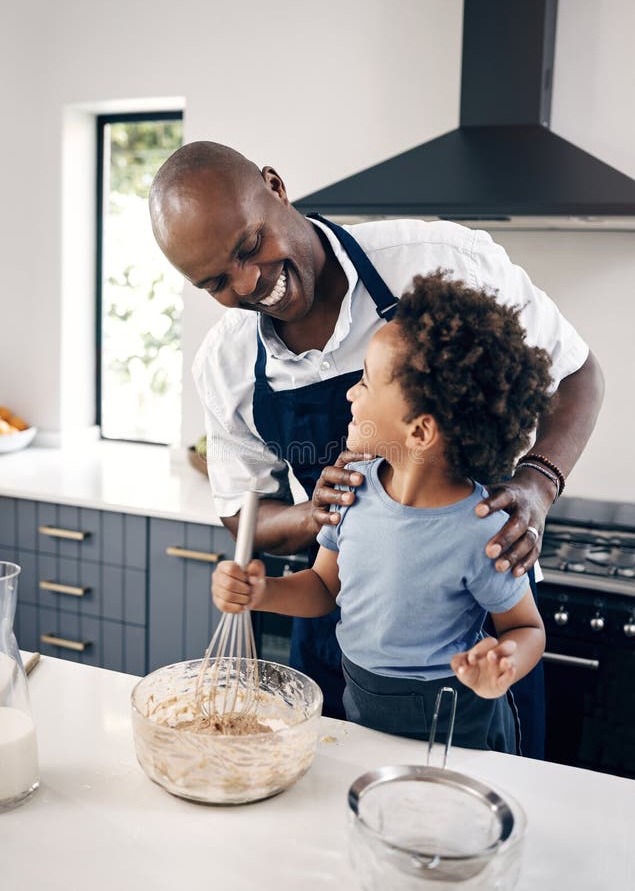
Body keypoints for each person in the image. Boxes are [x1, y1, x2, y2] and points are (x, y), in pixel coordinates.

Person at [149, 141, 603, 753]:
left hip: (469, 684)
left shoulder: (441, 260)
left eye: (249, 246)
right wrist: (315, 516)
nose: (249, 282)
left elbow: (579, 374)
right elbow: (245, 517)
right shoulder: (227, 362)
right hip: (340, 657)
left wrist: (537, 481)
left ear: (275, 187)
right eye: (216, 283)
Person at [211, 272, 549, 751]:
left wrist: (505, 663)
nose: (351, 394)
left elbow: (525, 627)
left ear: (419, 432)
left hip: (457, 722)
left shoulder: (483, 530)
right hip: (364, 707)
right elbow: (325, 587)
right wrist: (261, 592)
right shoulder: (353, 490)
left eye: (366, 383)